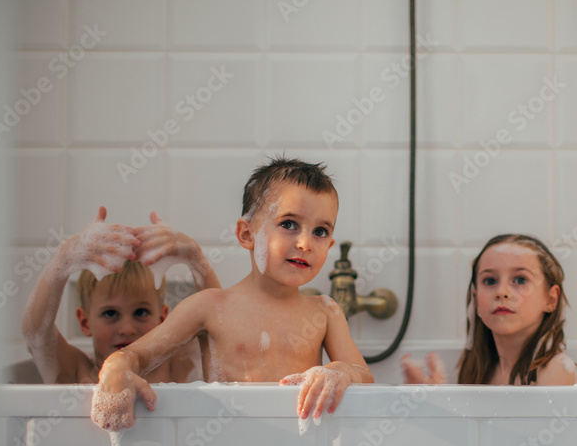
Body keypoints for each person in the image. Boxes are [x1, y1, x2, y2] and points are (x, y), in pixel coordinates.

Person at [91, 156, 373, 431]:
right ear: (246, 234)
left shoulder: (324, 312)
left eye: (320, 231)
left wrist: (341, 371)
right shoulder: (209, 306)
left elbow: (366, 379)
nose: (305, 243)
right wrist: (116, 368)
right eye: (289, 224)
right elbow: (136, 356)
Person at [21, 207, 220, 385]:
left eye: (141, 312)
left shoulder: (173, 365)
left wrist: (195, 257)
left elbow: (217, 327)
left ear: (162, 318)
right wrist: (63, 259)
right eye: (110, 314)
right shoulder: (77, 371)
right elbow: (36, 333)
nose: (127, 329)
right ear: (85, 322)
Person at [402, 234, 577, 385]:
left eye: (520, 280)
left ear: (550, 299)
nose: (501, 292)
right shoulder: (480, 370)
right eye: (490, 281)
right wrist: (431, 404)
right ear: (476, 300)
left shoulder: (554, 370)